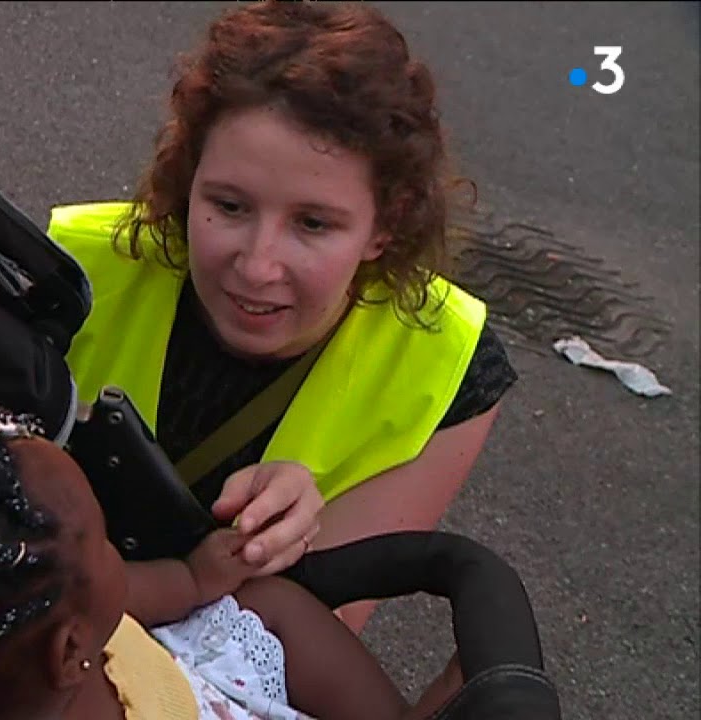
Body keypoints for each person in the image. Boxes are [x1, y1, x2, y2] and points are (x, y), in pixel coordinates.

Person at [46, 0, 517, 633]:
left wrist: (294, 546)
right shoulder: (70, 262)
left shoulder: (452, 366)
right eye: (229, 206)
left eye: (313, 223)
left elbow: (301, 652)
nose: (258, 265)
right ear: (191, 180)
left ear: (388, 222)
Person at [0, 384, 462, 720]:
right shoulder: (58, 620)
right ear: (70, 652)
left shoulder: (42, 624)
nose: (113, 551)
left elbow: (151, 590)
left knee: (267, 604)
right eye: (101, 542)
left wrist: (194, 573)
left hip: (178, 674)